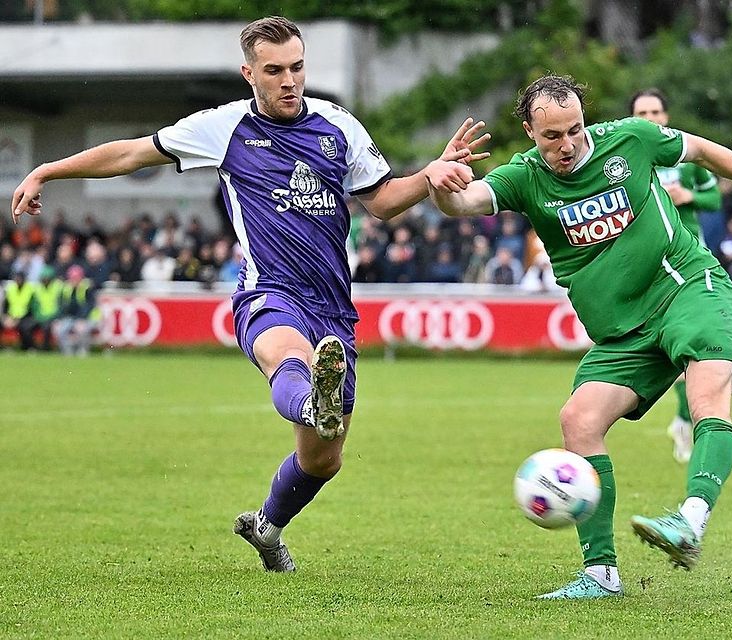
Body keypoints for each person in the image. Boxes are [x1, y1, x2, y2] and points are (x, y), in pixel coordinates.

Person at [11, 16, 488, 573]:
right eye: (275, 70)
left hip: (332, 304)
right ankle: (313, 397)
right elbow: (131, 154)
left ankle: (267, 526)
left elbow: (382, 201)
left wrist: (430, 174)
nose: (290, 80)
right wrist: (48, 169)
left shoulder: (338, 126)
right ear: (249, 74)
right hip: (269, 290)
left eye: (298, 67)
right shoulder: (224, 128)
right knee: (291, 357)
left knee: (323, 459)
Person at [427, 74, 732, 599]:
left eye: (573, 130)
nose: (565, 145)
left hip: (685, 288)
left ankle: (691, 520)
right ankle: (601, 573)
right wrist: (443, 183)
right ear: (529, 131)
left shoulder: (631, 138)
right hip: (622, 334)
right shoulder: (524, 178)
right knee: (578, 419)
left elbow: (701, 150)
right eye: (551, 136)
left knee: (706, 399)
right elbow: (464, 203)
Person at [630, 88, 723, 466]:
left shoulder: (687, 160)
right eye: (642, 112)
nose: (650, 118)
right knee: (673, 353)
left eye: (656, 111)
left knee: (691, 350)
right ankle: (685, 418)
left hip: (688, 261)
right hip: (646, 266)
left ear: (666, 117)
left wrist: (688, 197)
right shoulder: (625, 161)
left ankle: (685, 420)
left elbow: (714, 200)